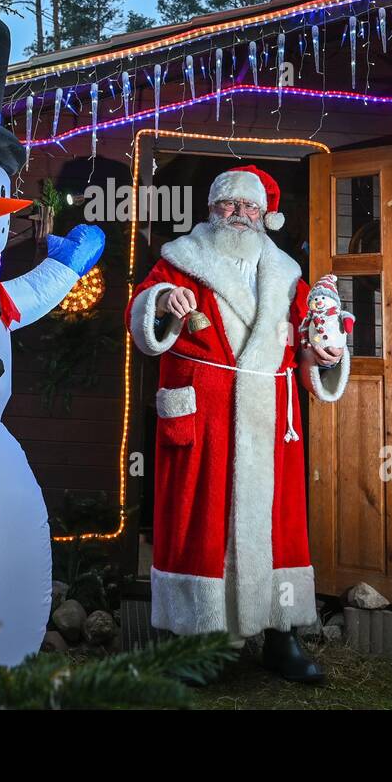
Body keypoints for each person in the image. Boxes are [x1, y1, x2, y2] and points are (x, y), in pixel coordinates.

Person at [125, 165, 349, 683]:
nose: (239, 214)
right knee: (199, 523)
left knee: (277, 523)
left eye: (250, 207)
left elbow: (310, 336)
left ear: (265, 216)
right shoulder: (181, 261)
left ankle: (281, 636)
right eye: (229, 204)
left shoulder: (287, 274)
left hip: (268, 419)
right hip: (203, 418)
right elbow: (139, 315)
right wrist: (162, 301)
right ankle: (195, 641)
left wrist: (325, 353)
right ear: (211, 209)